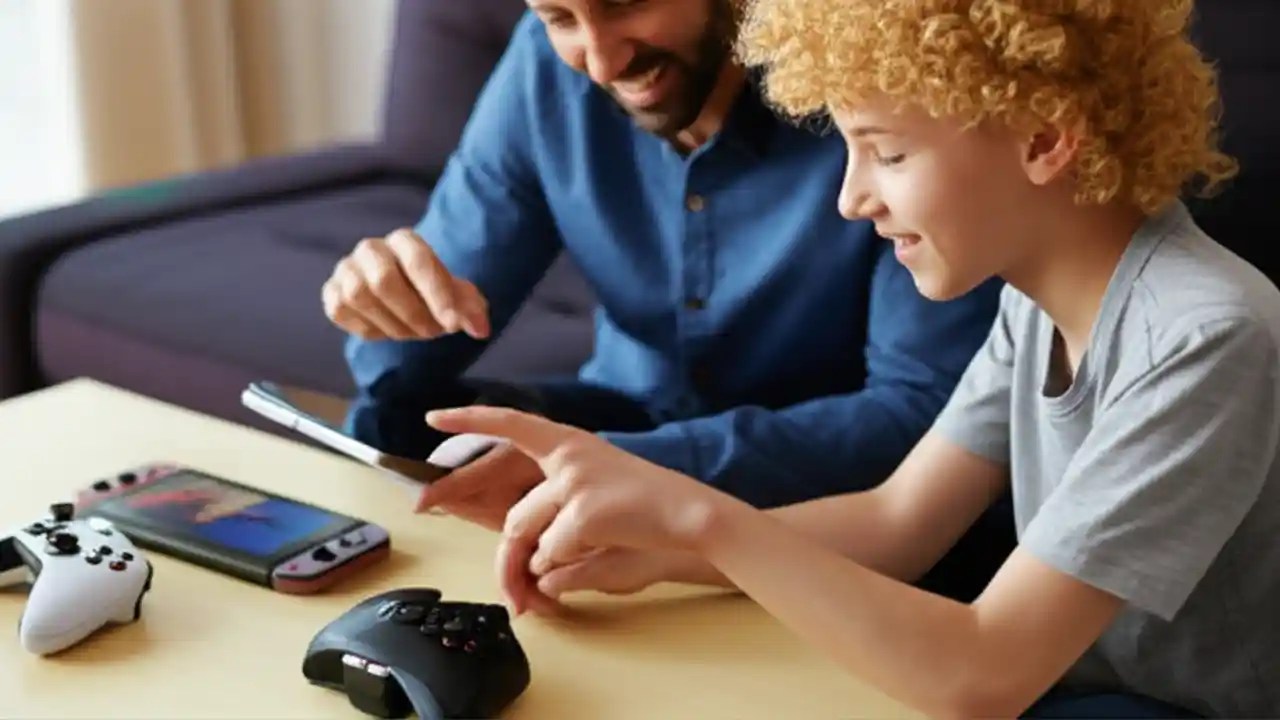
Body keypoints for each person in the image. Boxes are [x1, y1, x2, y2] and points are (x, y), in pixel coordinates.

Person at [424, 0, 1280, 717]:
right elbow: (894, 522)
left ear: (1044, 139)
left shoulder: (1205, 336)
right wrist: (654, 557)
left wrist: (696, 515)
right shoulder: (1040, 297)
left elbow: (982, 673)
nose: (852, 197)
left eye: (890, 152)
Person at [322, 0, 1006, 591]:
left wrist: (622, 470)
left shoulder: (870, 77)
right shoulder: (545, 70)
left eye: (625, 4)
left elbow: (923, 416)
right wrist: (382, 300)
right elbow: (407, 368)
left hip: (840, 511)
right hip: (623, 434)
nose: (598, 61)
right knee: (401, 441)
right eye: (560, 16)